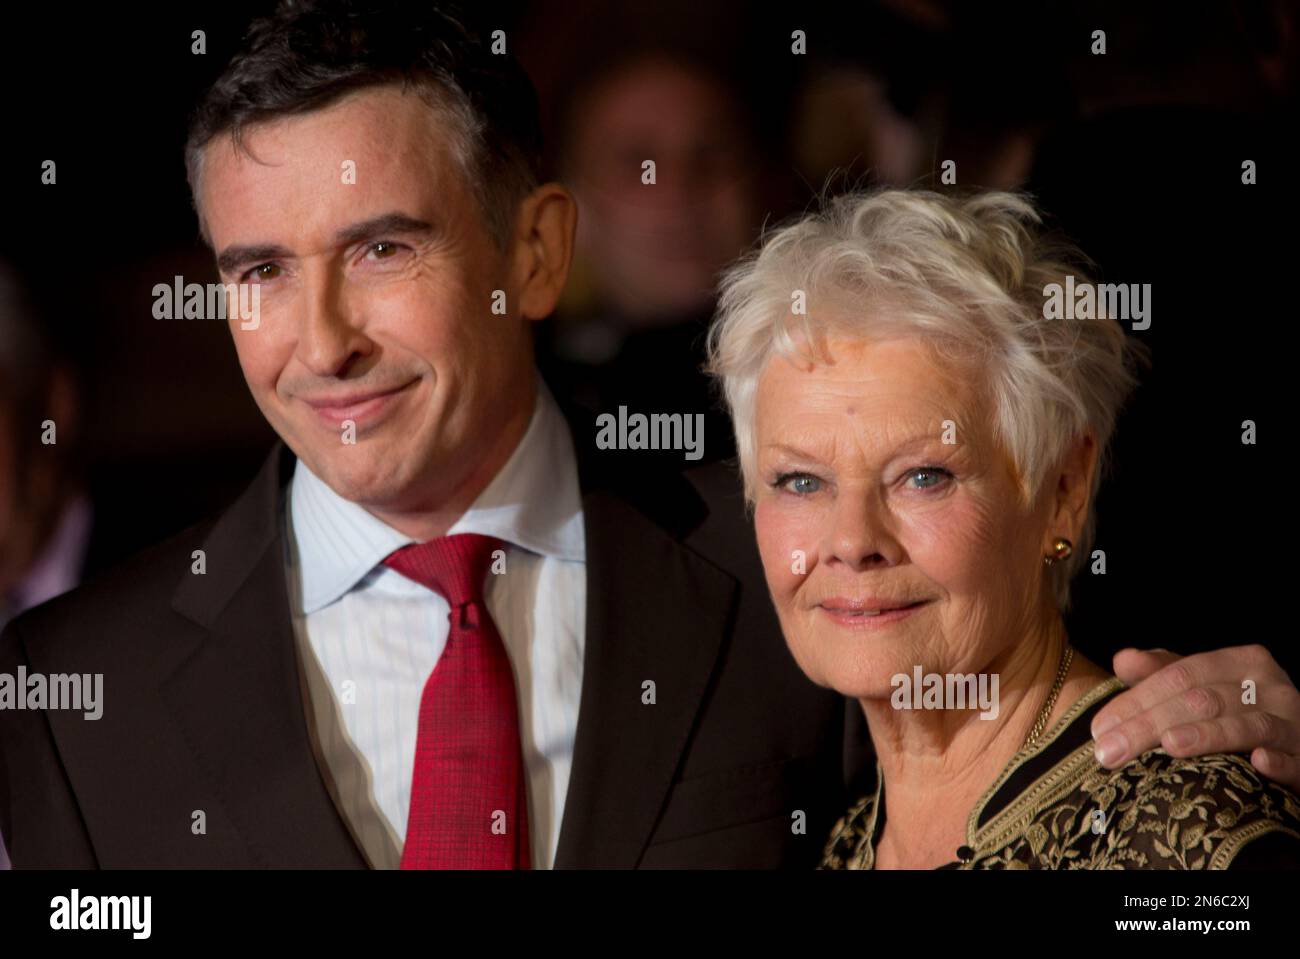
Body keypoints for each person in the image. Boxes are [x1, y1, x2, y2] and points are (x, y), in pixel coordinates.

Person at [2, 1, 1297, 870]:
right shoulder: (72, 695)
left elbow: (1057, 740)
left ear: (539, 246)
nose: (320, 339)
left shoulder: (806, 561)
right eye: (261, 271)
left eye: (383, 249)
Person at [706, 188, 1300, 868]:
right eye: (801, 481)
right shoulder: (845, 844)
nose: (851, 540)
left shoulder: (1187, 831)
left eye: (923, 475)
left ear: (1062, 491)